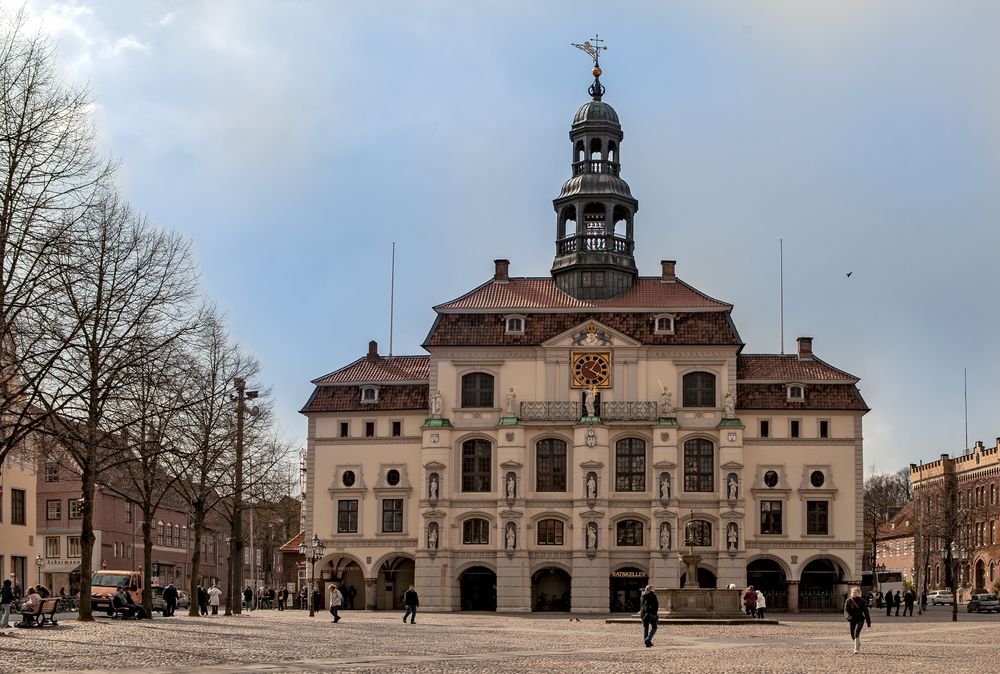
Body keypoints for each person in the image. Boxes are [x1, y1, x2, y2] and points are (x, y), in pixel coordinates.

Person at [844, 586, 872, 654]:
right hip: (852, 619)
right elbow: (846, 610)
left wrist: (868, 622)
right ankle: (857, 642)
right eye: (853, 592)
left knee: (856, 632)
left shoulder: (862, 601)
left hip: (860, 619)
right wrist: (848, 617)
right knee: (852, 634)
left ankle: (856, 649)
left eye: (855, 592)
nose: (854, 594)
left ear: (859, 593)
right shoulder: (848, 600)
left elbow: (866, 612)